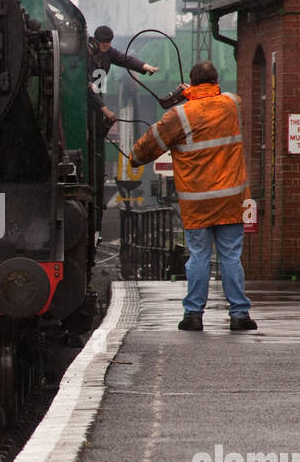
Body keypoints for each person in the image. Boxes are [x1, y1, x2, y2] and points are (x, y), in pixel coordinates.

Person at [129, 60, 257, 332]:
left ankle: (193, 315)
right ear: (216, 79)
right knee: (231, 257)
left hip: (198, 202)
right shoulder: (232, 104)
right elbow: (217, 101)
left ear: (192, 81)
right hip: (230, 198)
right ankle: (239, 315)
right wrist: (196, 94)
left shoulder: (180, 116)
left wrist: (134, 158)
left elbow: (145, 149)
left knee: (198, 256)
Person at [88, 24, 159, 130]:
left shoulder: (108, 52)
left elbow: (125, 60)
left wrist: (146, 67)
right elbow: (89, 88)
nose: (106, 45)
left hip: (97, 97)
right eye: (103, 42)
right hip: (84, 98)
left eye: (108, 42)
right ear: (95, 41)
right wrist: (106, 111)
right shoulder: (84, 57)